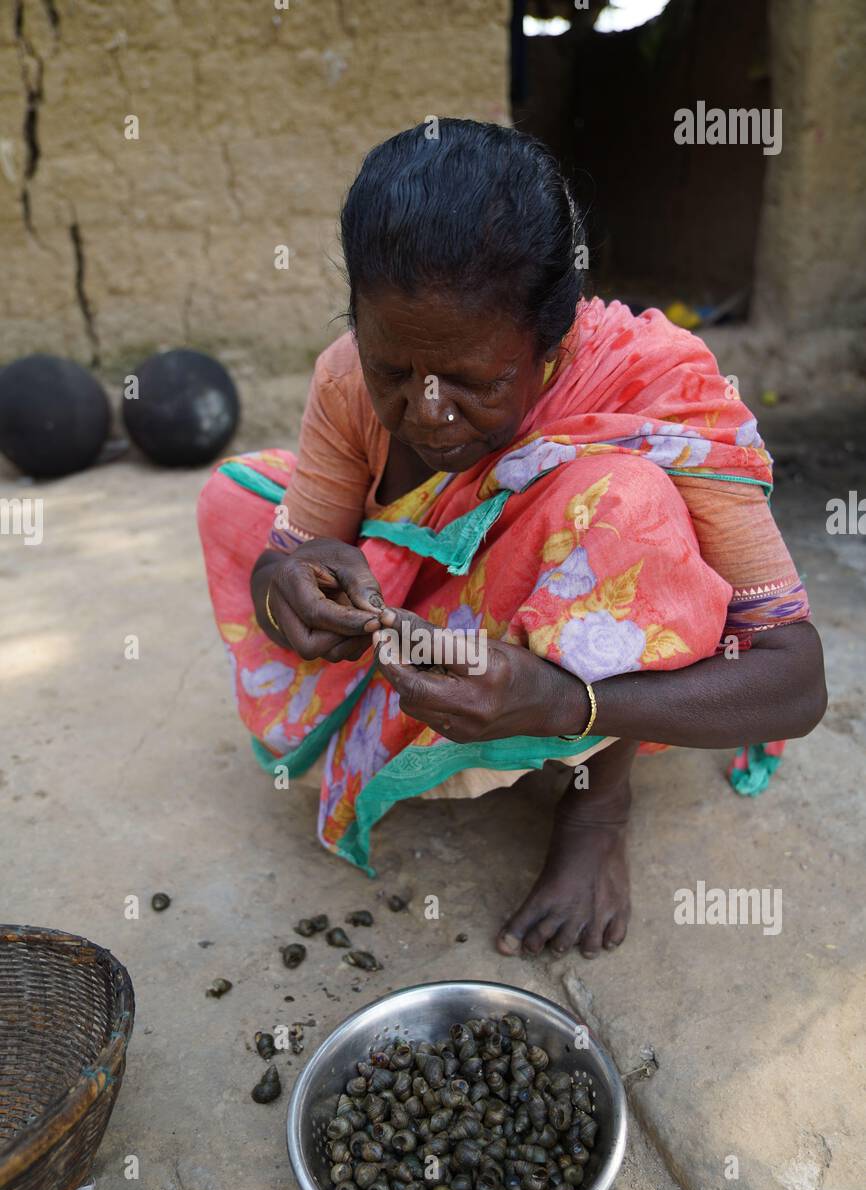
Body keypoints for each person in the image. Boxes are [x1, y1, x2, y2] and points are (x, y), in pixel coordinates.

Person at [197, 119, 826, 961]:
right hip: (426, 634)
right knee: (233, 503)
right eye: (394, 370)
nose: (426, 411)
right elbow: (293, 551)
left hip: (561, 664)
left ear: (554, 343)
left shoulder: (654, 386)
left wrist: (568, 703)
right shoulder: (346, 376)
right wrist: (289, 586)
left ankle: (596, 804)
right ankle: (420, 730)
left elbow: (793, 676)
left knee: (626, 507)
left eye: (477, 381)